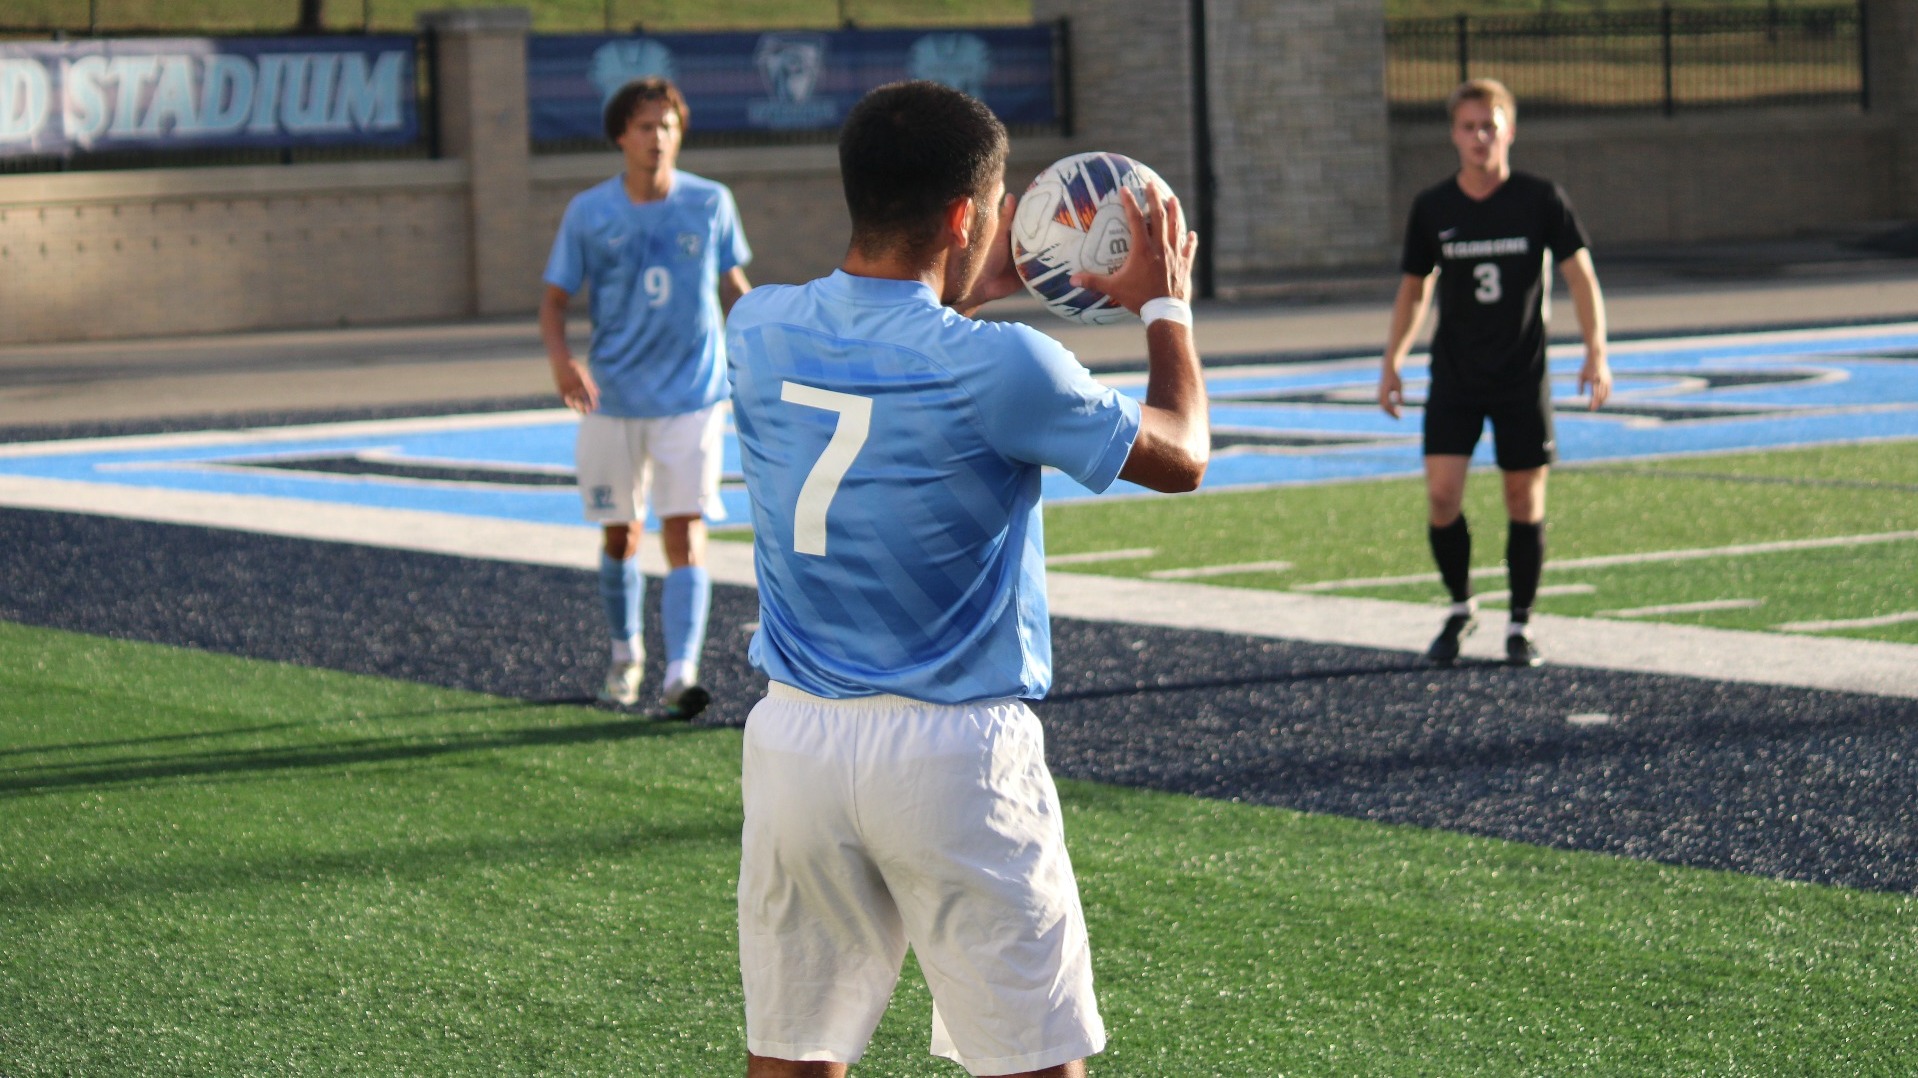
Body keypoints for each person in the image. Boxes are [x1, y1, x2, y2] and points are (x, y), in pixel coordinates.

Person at [724, 81, 1208, 1077]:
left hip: (794, 742)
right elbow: (1181, 453)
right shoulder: (1005, 368)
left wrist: (952, 281)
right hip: (952, 755)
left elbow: (884, 337)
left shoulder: (758, 328)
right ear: (964, 217)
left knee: (792, 1058)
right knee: (1034, 1065)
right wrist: (1167, 304)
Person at [1378, 77, 1611, 669]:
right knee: (1441, 496)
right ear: (1453, 135)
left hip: (1520, 373)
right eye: (1468, 127)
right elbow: (1414, 290)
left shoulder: (1540, 198)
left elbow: (1580, 276)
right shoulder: (1434, 207)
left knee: (1522, 497)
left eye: (1490, 125)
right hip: (1456, 374)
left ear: (1509, 129)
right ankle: (1461, 607)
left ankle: (1521, 622)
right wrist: (1393, 361)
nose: (1479, 137)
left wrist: (1596, 350)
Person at [539, 77, 752, 715]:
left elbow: (734, 284)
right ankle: (625, 654)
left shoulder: (712, 203)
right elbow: (554, 300)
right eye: (643, 127)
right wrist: (563, 362)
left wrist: (771, 339)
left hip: (693, 395)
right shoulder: (589, 211)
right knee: (621, 537)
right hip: (613, 398)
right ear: (619, 137)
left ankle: (680, 675)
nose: (656, 138)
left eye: (666, 126)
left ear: (679, 133)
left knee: (685, 531)